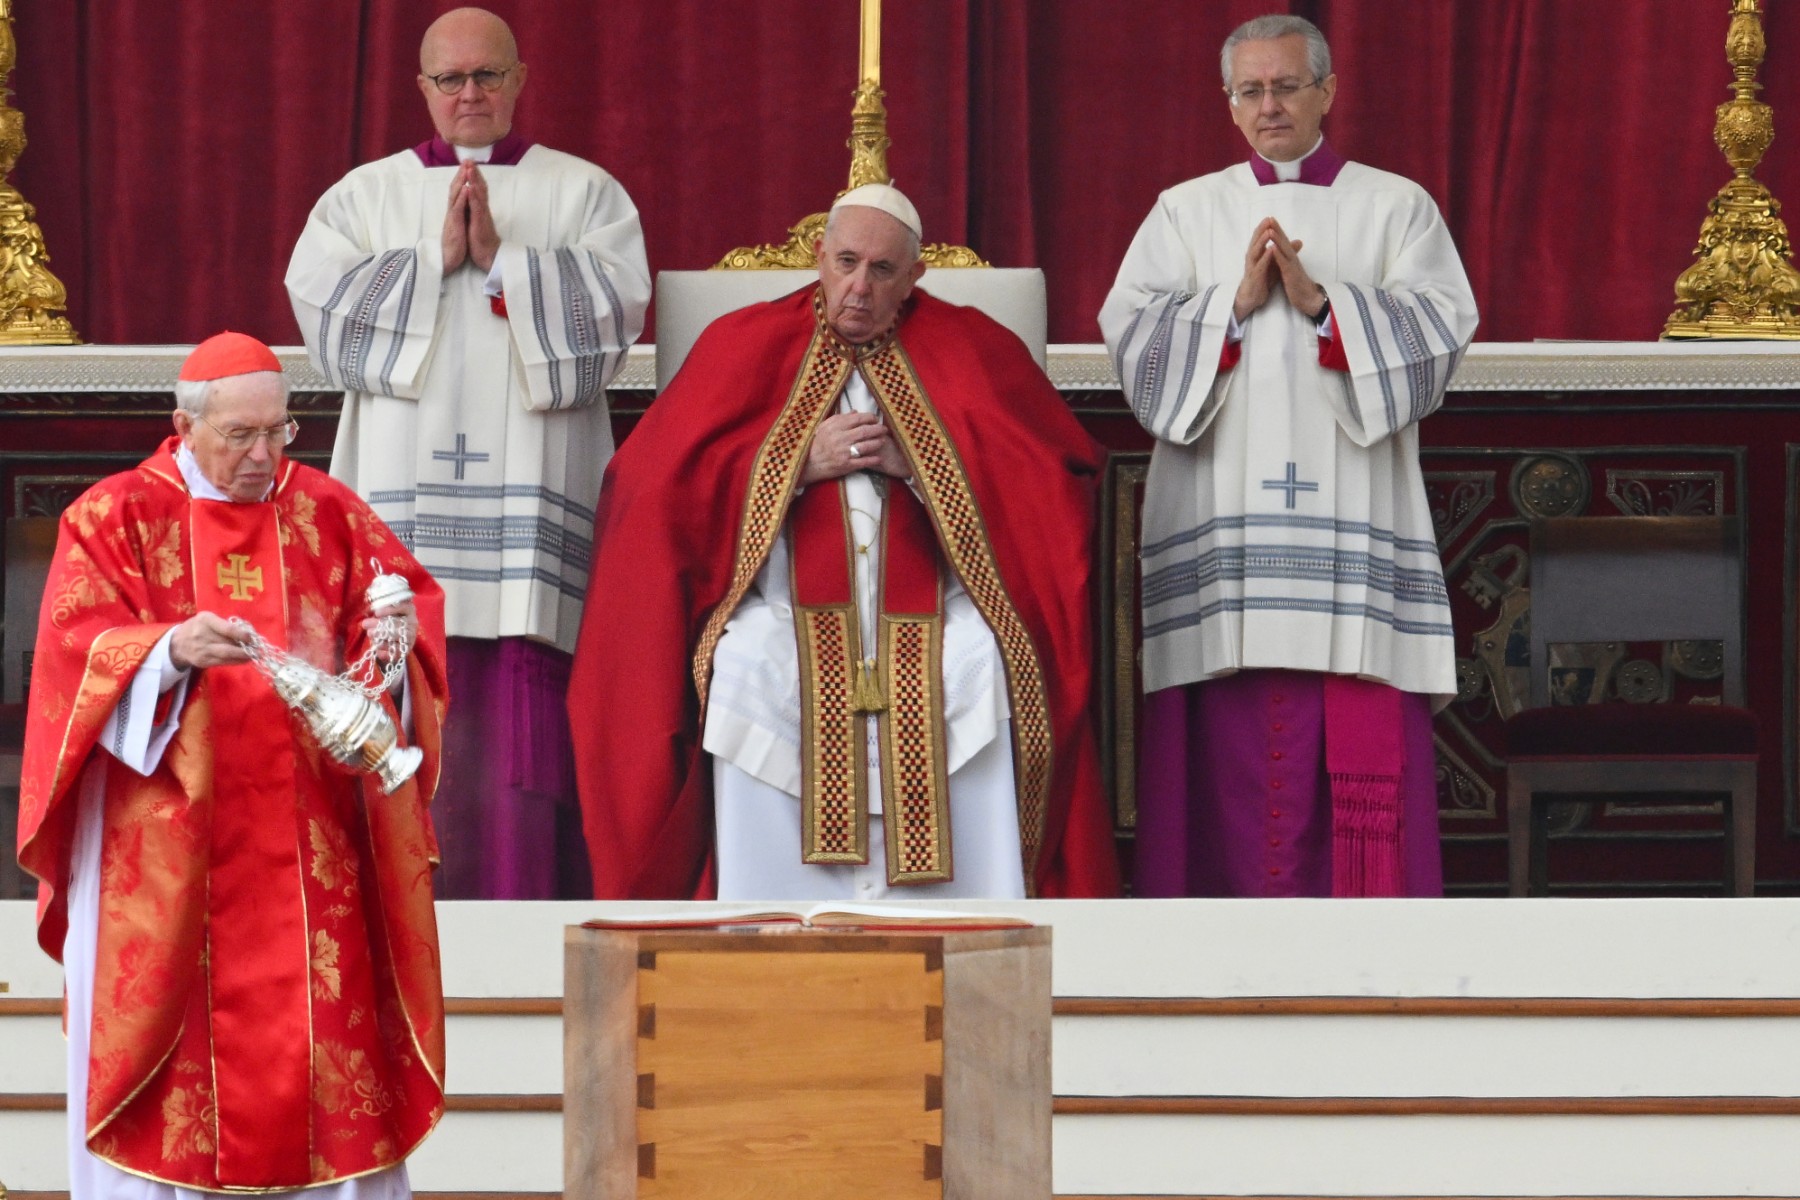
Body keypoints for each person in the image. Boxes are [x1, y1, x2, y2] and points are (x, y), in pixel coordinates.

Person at [568, 184, 1119, 901]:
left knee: (981, 661)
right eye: (846, 263)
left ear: (915, 277)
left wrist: (927, 465)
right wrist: (792, 463)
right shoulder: (742, 344)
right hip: (778, 608)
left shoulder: (975, 349)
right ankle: (764, 915)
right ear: (819, 257)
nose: (858, 289)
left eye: (882, 271)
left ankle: (970, 919)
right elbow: (653, 491)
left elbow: (1052, 482)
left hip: (941, 611)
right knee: (743, 663)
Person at [15, 333, 448, 1198]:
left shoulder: (329, 511)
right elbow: (71, 657)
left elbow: (403, 621)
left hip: (309, 844)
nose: (263, 457)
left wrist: (379, 675)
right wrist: (169, 650)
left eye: (280, 434)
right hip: (167, 848)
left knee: (327, 1058)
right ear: (183, 423)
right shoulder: (112, 516)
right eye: (240, 436)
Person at [1099, 14, 1478, 898]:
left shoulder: (1396, 206)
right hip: (1220, 527)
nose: (1270, 106)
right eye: (1251, 91)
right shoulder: (1185, 210)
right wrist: (1228, 307)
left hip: (1354, 518)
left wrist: (1321, 304)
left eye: (1286, 86)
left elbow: (1440, 332)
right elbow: (1132, 341)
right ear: (1230, 106)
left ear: (1327, 93)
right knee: (1220, 743)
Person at [285, 6, 651, 899]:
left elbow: (612, 321)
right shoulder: (362, 197)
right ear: (423, 89)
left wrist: (504, 262)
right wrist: (432, 257)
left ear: (520, 80)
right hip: (401, 502)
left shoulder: (585, 193)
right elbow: (325, 323)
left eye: (488, 75)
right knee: (395, 676)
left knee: (520, 725)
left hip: (525, 532)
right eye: (450, 79)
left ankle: (521, 909)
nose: (470, 94)